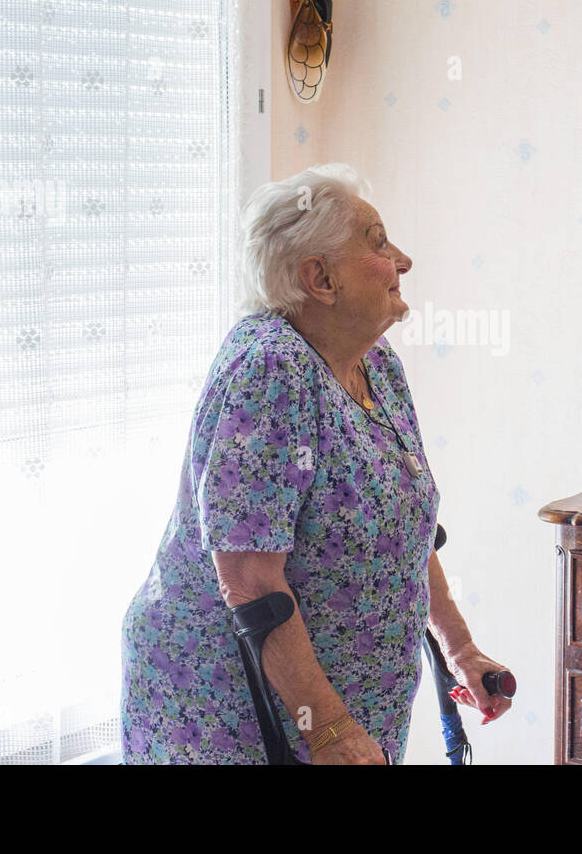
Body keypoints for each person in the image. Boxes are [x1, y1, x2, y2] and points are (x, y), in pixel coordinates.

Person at [120, 164, 511, 764]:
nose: (403, 260)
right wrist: (326, 729)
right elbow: (249, 575)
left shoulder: (375, 364)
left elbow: (407, 526)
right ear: (319, 278)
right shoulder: (271, 369)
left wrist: (459, 648)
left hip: (350, 701)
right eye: (377, 242)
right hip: (237, 710)